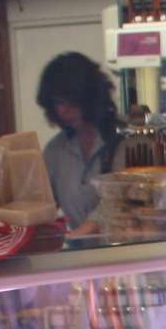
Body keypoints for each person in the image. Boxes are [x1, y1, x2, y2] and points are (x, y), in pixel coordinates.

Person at [36, 51, 121, 233]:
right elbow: (42, 204)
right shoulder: (56, 150)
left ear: (89, 98)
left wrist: (76, 238)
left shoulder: (122, 140)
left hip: (120, 252)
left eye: (71, 102)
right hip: (80, 254)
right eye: (57, 103)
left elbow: (117, 203)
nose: (63, 111)